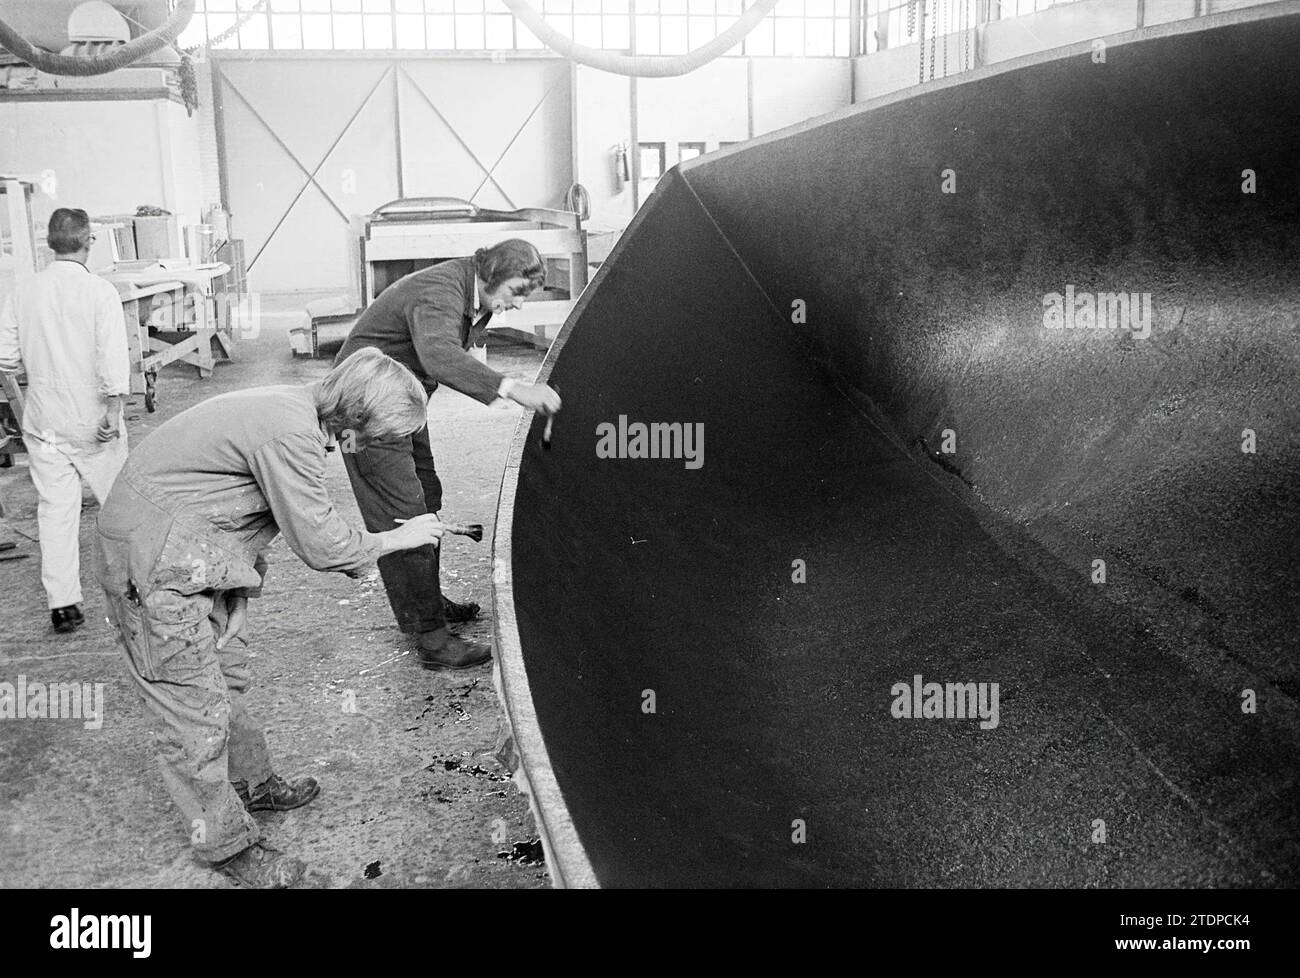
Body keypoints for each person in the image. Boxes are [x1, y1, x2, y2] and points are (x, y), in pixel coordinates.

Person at [95, 348, 445, 888]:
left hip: (189, 549)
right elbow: (323, 543)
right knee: (194, 711)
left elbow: (237, 507)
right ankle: (226, 847)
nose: (378, 445)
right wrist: (399, 537)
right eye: (381, 433)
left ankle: (253, 784)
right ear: (356, 416)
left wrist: (236, 590)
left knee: (227, 678)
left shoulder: (297, 412)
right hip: (153, 563)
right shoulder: (291, 433)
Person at [334, 238, 561, 670]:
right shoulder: (440, 291)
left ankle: (426, 602)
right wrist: (516, 390)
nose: (516, 305)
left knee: (427, 497)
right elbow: (439, 355)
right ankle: (433, 640)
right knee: (403, 513)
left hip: (397, 401)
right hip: (362, 410)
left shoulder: (474, 294)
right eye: (516, 291)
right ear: (492, 274)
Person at [0, 208, 130, 633]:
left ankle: (64, 606)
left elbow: (5, 357)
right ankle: (132, 587)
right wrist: (113, 408)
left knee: (55, 511)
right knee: (120, 505)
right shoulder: (100, 292)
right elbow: (112, 357)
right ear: (89, 241)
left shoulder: (25, 291)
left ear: (49, 243)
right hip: (94, 419)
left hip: (45, 418)